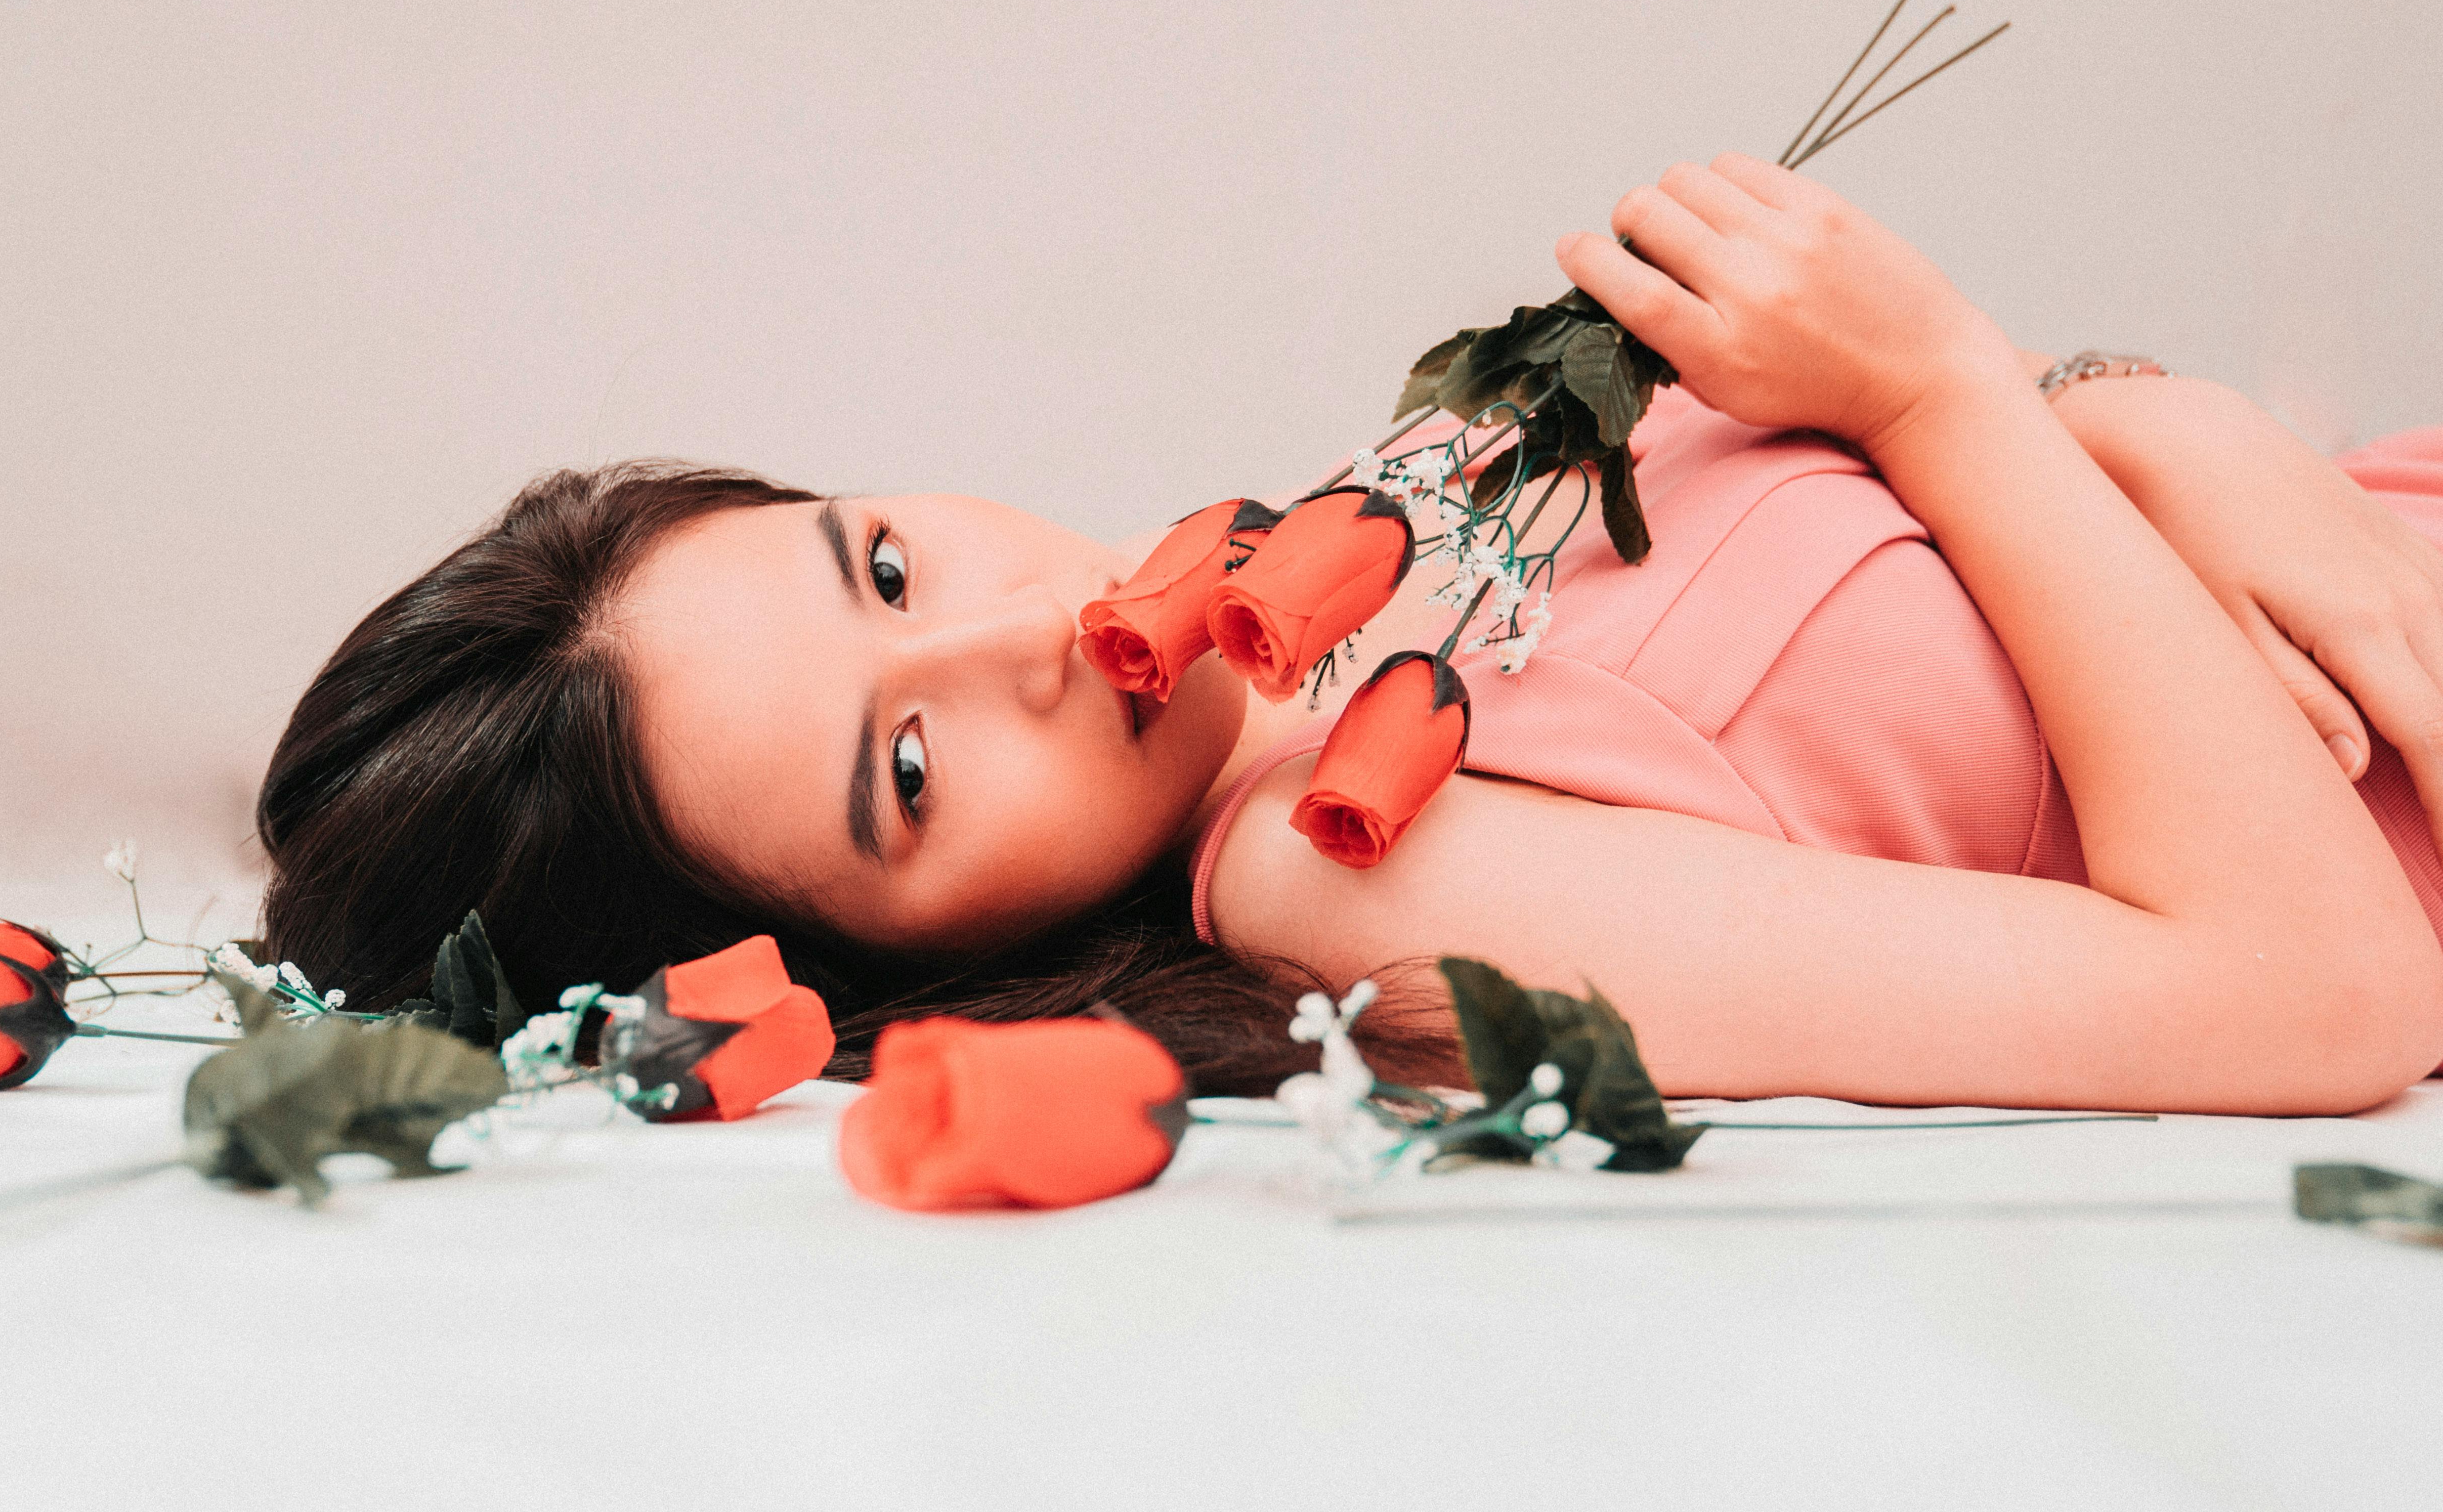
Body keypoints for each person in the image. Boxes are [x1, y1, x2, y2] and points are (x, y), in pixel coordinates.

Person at [258, 155, 2443, 1113]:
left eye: (892, 568)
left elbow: (1997, 606)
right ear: (905, 970)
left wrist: (2154, 419)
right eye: (905, 777)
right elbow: (2317, 996)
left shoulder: (1385, 538)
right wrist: (1955, 378)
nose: (1025, 639)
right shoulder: (1344, 870)